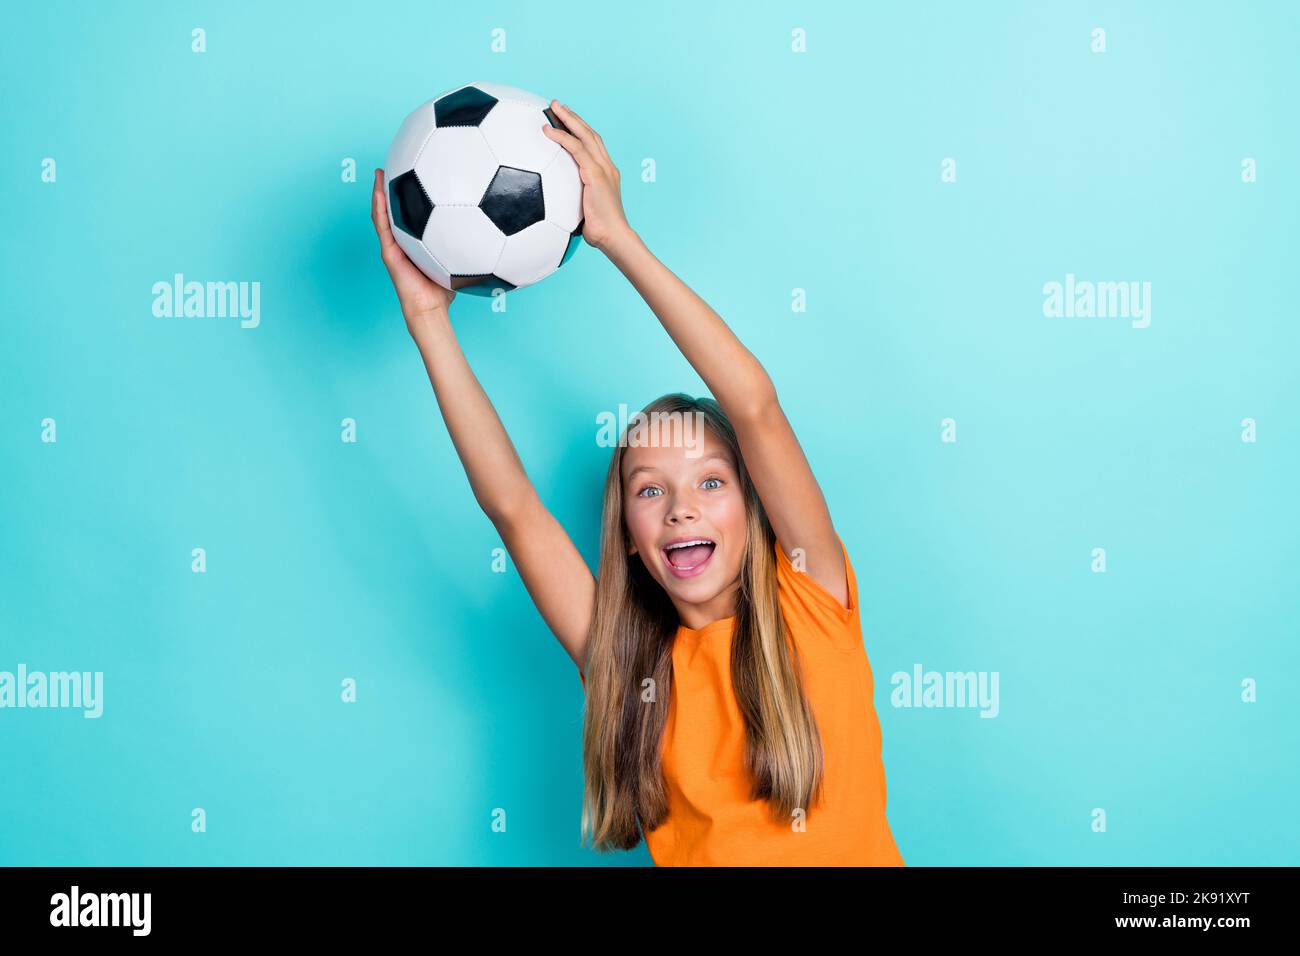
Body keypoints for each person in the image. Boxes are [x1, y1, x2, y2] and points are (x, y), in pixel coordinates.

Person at [370, 100, 904, 866]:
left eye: (712, 483)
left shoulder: (811, 599)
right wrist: (429, 322)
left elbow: (752, 405)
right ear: (627, 530)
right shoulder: (627, 667)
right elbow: (515, 509)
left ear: (758, 511)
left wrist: (616, 237)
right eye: (649, 490)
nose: (681, 506)